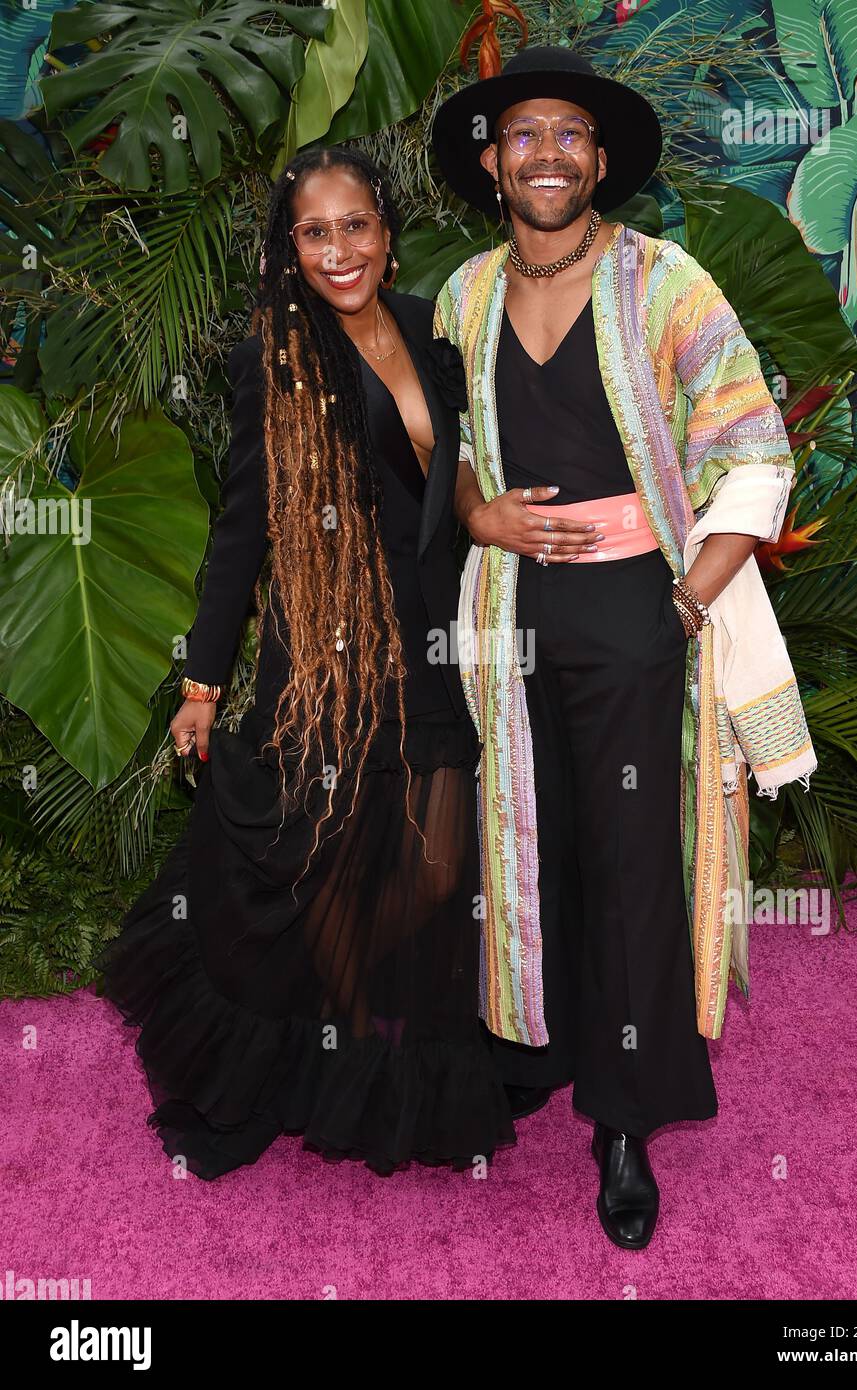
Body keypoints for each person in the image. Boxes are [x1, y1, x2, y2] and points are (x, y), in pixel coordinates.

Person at [431, 46, 817, 1248]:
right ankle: (530, 1050)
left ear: (599, 161)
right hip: (504, 619)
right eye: (523, 134)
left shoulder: (666, 283)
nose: (546, 153)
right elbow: (442, 452)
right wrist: (478, 517)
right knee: (522, 843)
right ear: (492, 163)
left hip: (635, 620)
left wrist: (684, 606)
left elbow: (753, 450)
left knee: (630, 862)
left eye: (569, 134)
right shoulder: (462, 296)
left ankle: (623, 1116)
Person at [94, 145, 516, 1179]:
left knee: (429, 869)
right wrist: (202, 680)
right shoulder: (272, 361)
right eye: (315, 231)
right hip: (328, 651)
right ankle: (276, 1082)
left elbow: (456, 468)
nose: (339, 250)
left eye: (355, 224)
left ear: (386, 231)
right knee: (312, 864)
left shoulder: (427, 328)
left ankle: (371, 1073)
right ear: (290, 248)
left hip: (432, 640)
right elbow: (242, 528)